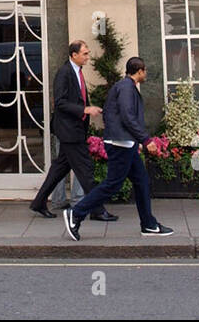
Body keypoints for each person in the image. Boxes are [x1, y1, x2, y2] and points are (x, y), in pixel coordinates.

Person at [64, 57, 174, 240]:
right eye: (145, 71)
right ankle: (76, 213)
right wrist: (146, 140)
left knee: (142, 182)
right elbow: (127, 116)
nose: (145, 74)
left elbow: (112, 113)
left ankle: (148, 224)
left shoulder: (124, 87)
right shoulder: (126, 88)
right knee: (112, 184)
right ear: (139, 71)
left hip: (125, 143)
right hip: (120, 144)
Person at [29, 40, 115, 222]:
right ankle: (97, 209)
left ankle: (38, 202)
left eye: (87, 52)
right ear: (74, 55)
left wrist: (90, 108)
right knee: (86, 170)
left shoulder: (78, 72)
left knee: (59, 169)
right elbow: (60, 103)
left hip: (75, 129)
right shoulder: (64, 73)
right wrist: (85, 110)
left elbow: (79, 98)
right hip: (69, 131)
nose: (87, 56)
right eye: (84, 53)